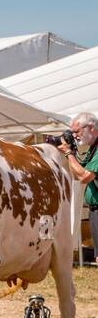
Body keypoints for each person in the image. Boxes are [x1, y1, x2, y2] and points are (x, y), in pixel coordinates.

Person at [57, 111, 98, 258]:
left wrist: (69, 153)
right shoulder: (92, 149)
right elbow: (77, 175)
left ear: (91, 127)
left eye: (77, 131)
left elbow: (85, 177)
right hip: (95, 211)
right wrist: (71, 154)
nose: (75, 136)